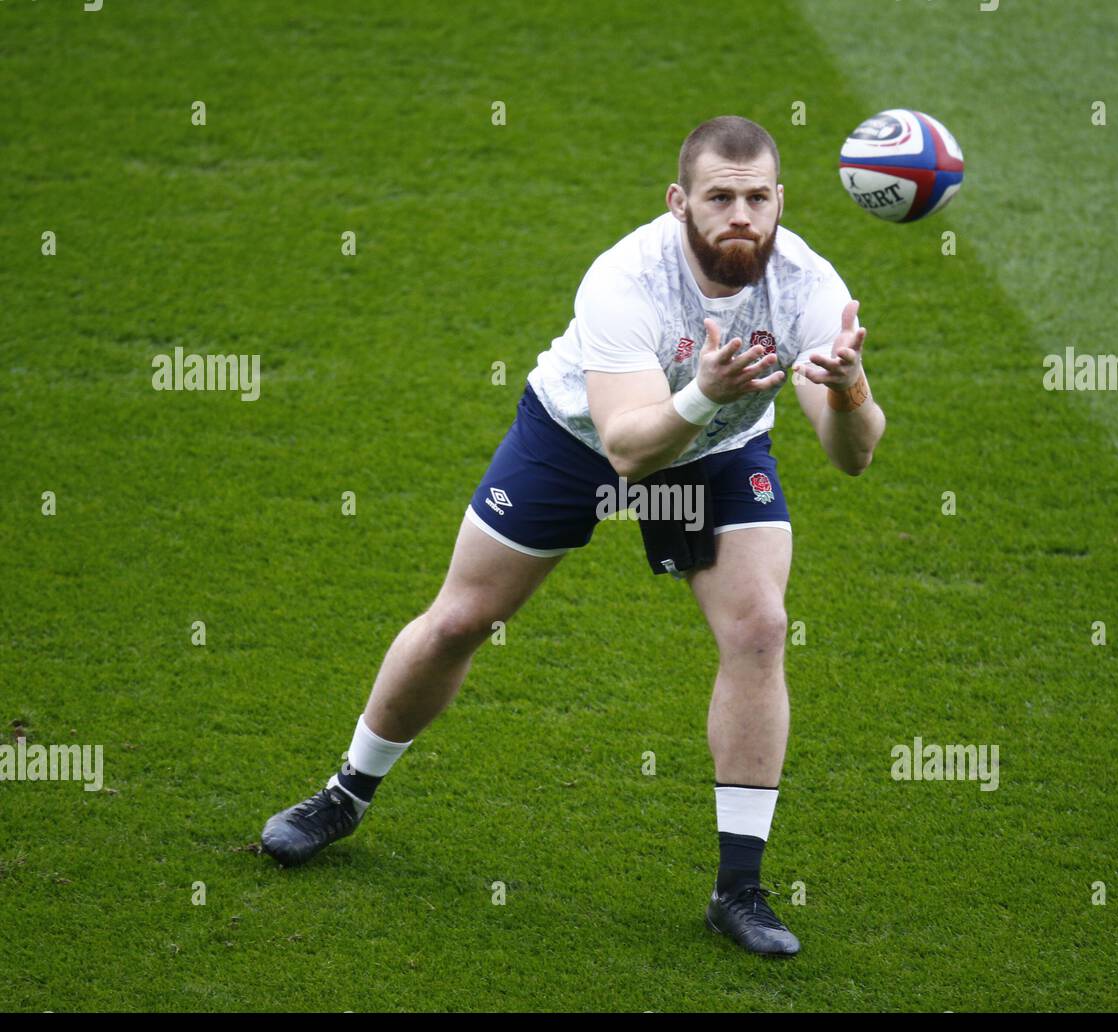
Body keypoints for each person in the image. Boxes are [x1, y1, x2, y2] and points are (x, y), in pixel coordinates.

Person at [261, 115, 886, 956]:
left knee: (760, 627)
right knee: (460, 619)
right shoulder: (625, 278)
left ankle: (740, 890)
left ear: (780, 199)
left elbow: (853, 455)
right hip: (578, 440)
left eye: (757, 197)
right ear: (679, 202)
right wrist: (701, 391)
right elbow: (629, 445)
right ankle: (344, 793)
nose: (741, 214)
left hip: (720, 454)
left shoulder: (809, 285)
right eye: (719, 197)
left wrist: (846, 389)